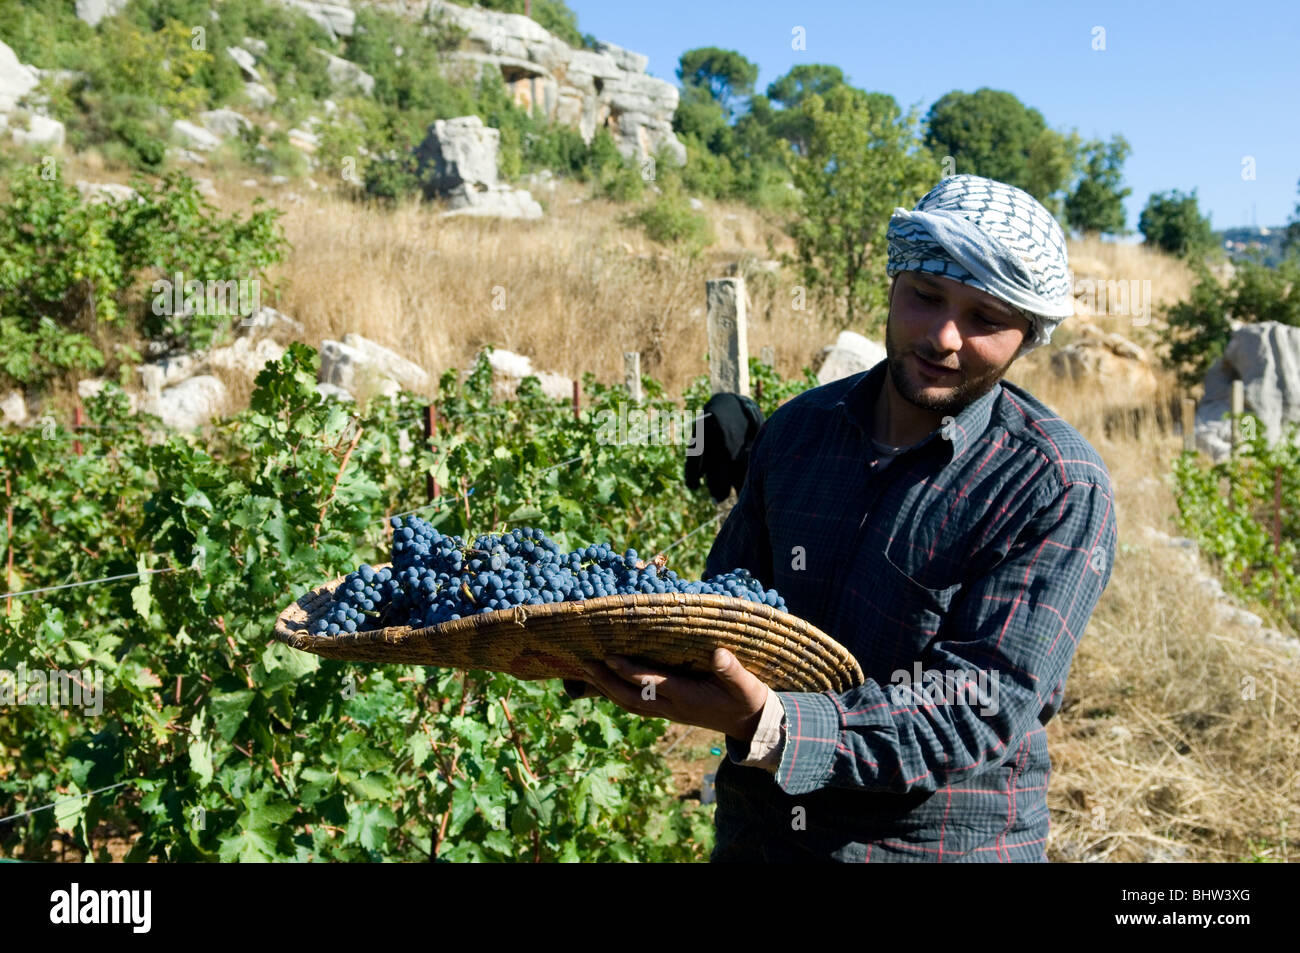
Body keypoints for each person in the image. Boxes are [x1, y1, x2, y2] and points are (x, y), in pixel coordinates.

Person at [578, 174, 1118, 862]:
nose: (945, 336)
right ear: (893, 285)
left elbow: (982, 704)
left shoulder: (1054, 485)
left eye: (986, 318)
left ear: (1026, 337)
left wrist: (771, 724)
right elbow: (731, 609)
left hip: (928, 848)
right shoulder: (800, 431)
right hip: (760, 837)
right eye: (926, 296)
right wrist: (630, 637)